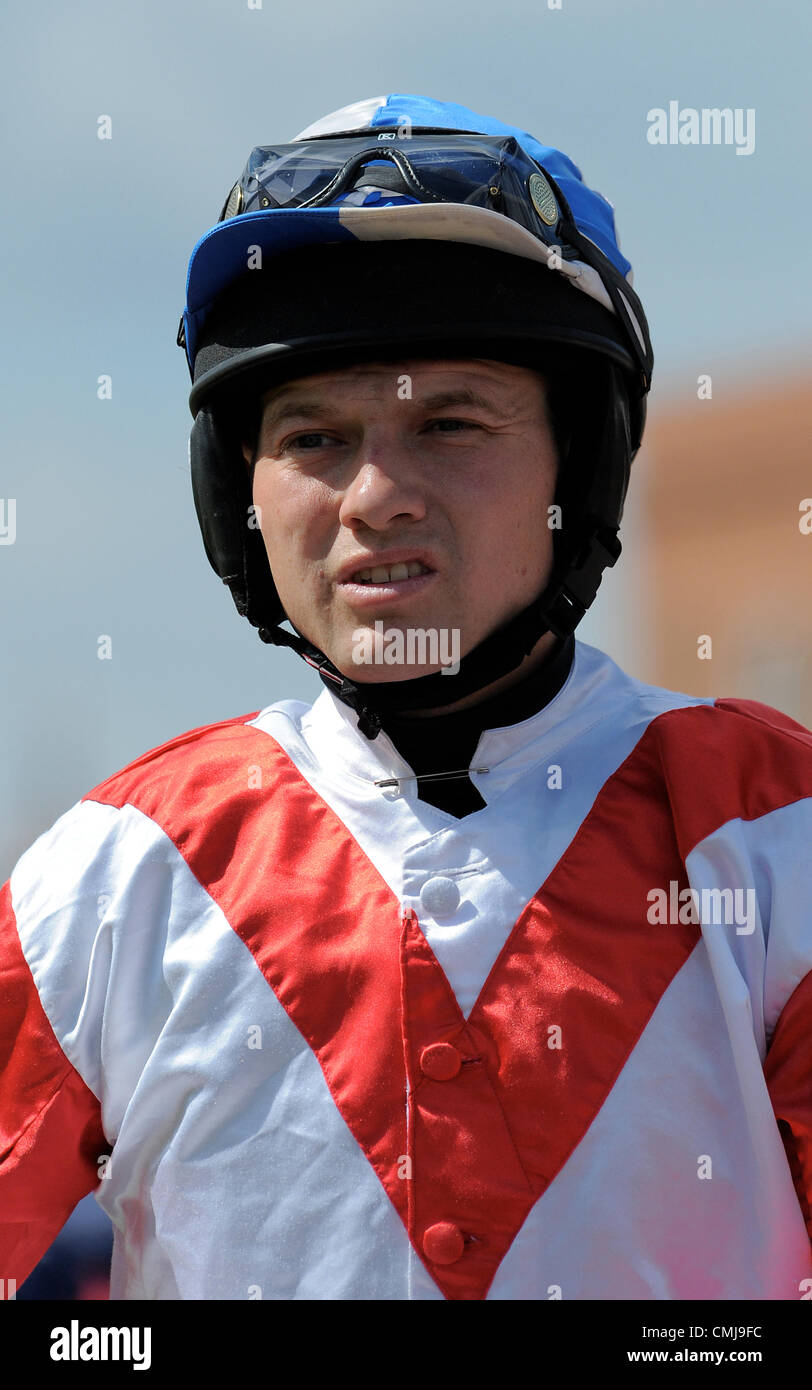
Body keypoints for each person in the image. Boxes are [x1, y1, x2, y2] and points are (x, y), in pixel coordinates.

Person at [1, 93, 810, 1303]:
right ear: (242, 500)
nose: (374, 495)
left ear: (576, 464)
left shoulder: (774, 827)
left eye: (448, 422)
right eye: (315, 438)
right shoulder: (112, 875)